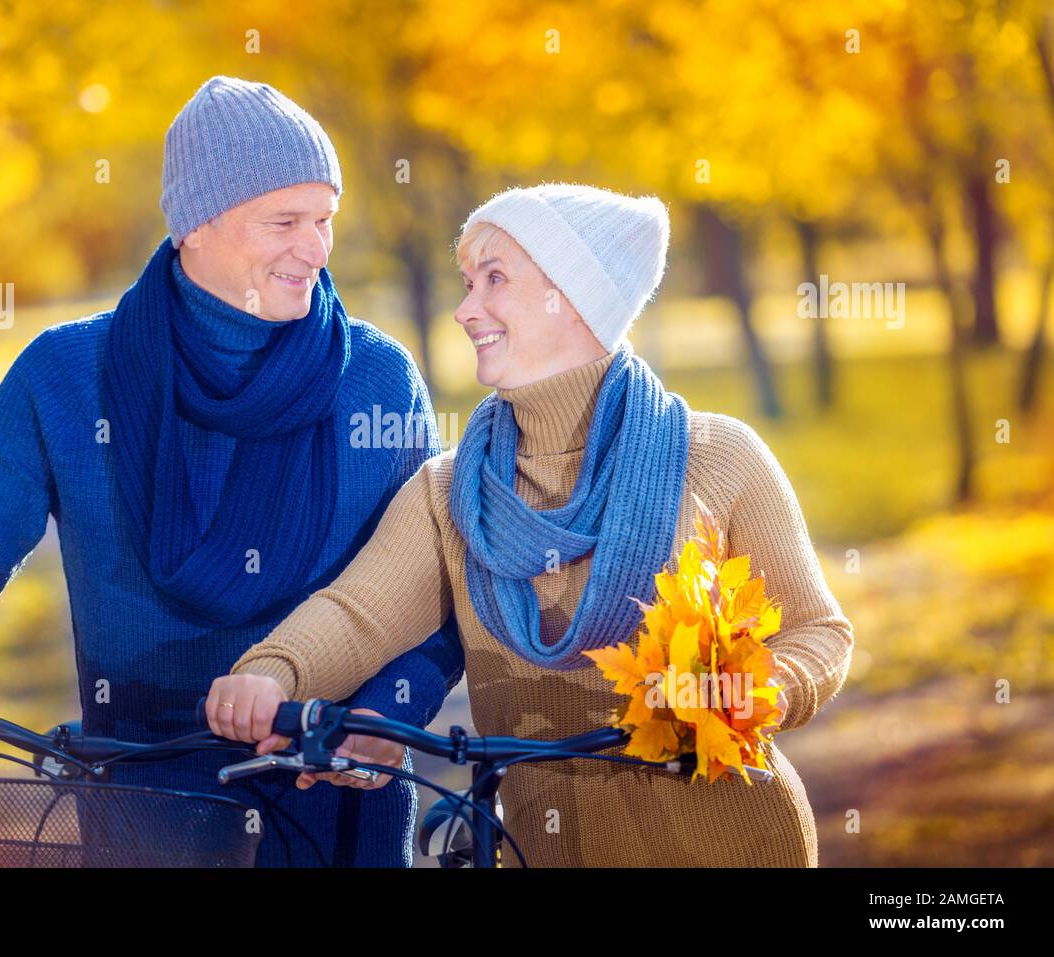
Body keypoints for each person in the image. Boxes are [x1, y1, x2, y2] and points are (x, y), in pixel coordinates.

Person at [0, 75, 464, 868]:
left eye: (324, 219)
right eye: (284, 221)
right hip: (141, 805)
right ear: (195, 224)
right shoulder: (66, 376)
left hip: (326, 799)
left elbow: (436, 590)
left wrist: (388, 717)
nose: (316, 248)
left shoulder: (378, 383)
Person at [206, 183, 856, 866]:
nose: (464, 310)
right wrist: (271, 674)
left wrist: (754, 691)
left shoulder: (720, 456)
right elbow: (357, 611)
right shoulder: (448, 491)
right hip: (537, 846)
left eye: (494, 279)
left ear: (575, 296)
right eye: (466, 282)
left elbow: (819, 631)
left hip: (736, 842)